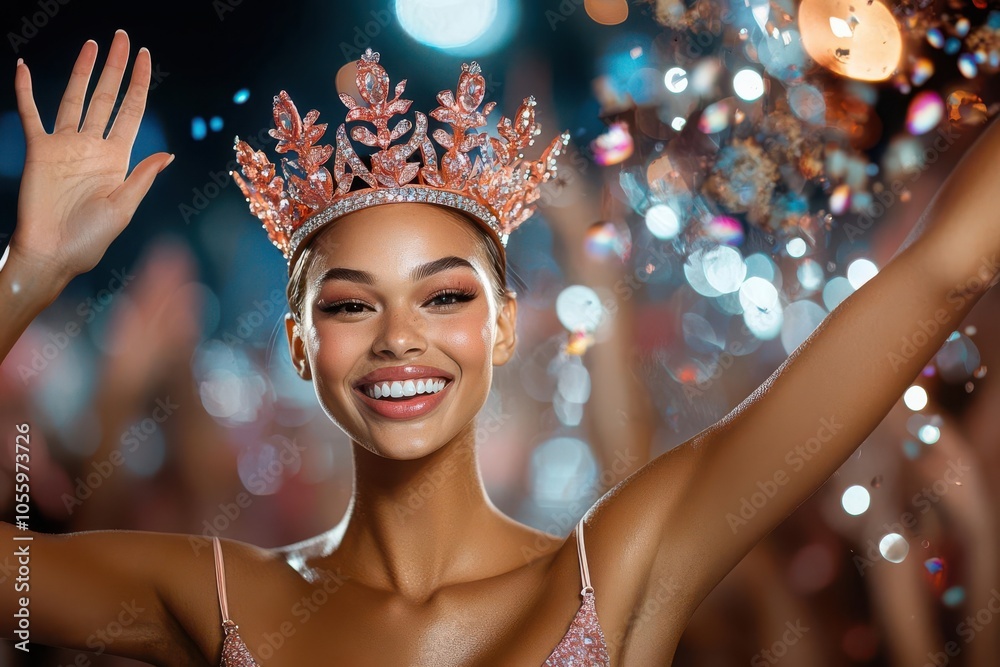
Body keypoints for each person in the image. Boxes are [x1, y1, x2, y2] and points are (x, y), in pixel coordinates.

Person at [3, 28, 1000, 666]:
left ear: (506, 324)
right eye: (351, 307)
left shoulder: (622, 567)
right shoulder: (211, 592)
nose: (400, 339)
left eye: (443, 295)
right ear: (300, 347)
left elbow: (942, 269)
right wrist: (28, 274)